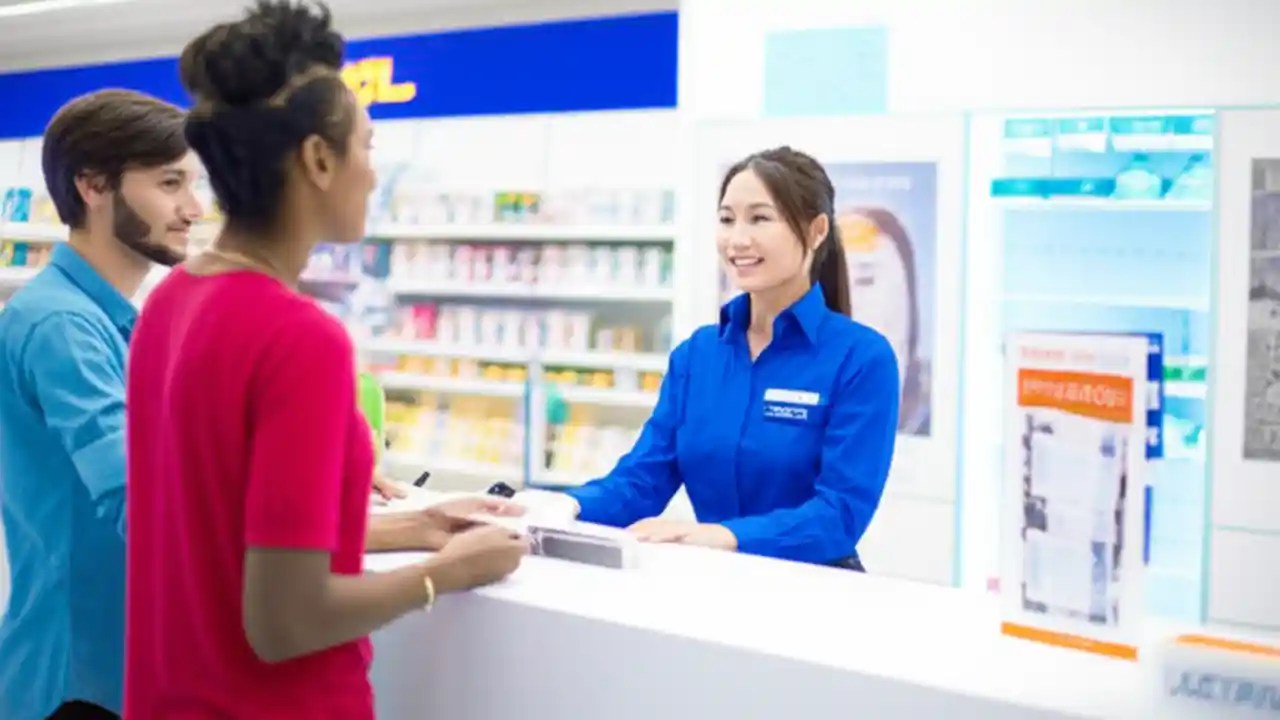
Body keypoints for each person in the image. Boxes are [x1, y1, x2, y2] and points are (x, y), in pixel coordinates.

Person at [124, 3, 527, 717]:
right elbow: (286, 622)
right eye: (367, 147)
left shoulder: (171, 300)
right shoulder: (300, 338)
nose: (374, 173)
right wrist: (444, 573)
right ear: (317, 158)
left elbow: (217, 526)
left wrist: (417, 527)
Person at [564, 146, 900, 569]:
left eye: (760, 218)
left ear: (816, 232)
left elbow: (840, 515)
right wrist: (558, 508)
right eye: (727, 219)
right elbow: (641, 481)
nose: (737, 240)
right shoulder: (696, 356)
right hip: (715, 586)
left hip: (816, 596)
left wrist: (724, 536)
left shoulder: (861, 359)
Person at [0, 89, 201, 720]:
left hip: (114, 665)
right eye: (171, 183)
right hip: (76, 680)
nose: (193, 208)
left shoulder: (113, 322)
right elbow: (147, 510)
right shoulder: (62, 325)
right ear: (93, 186)